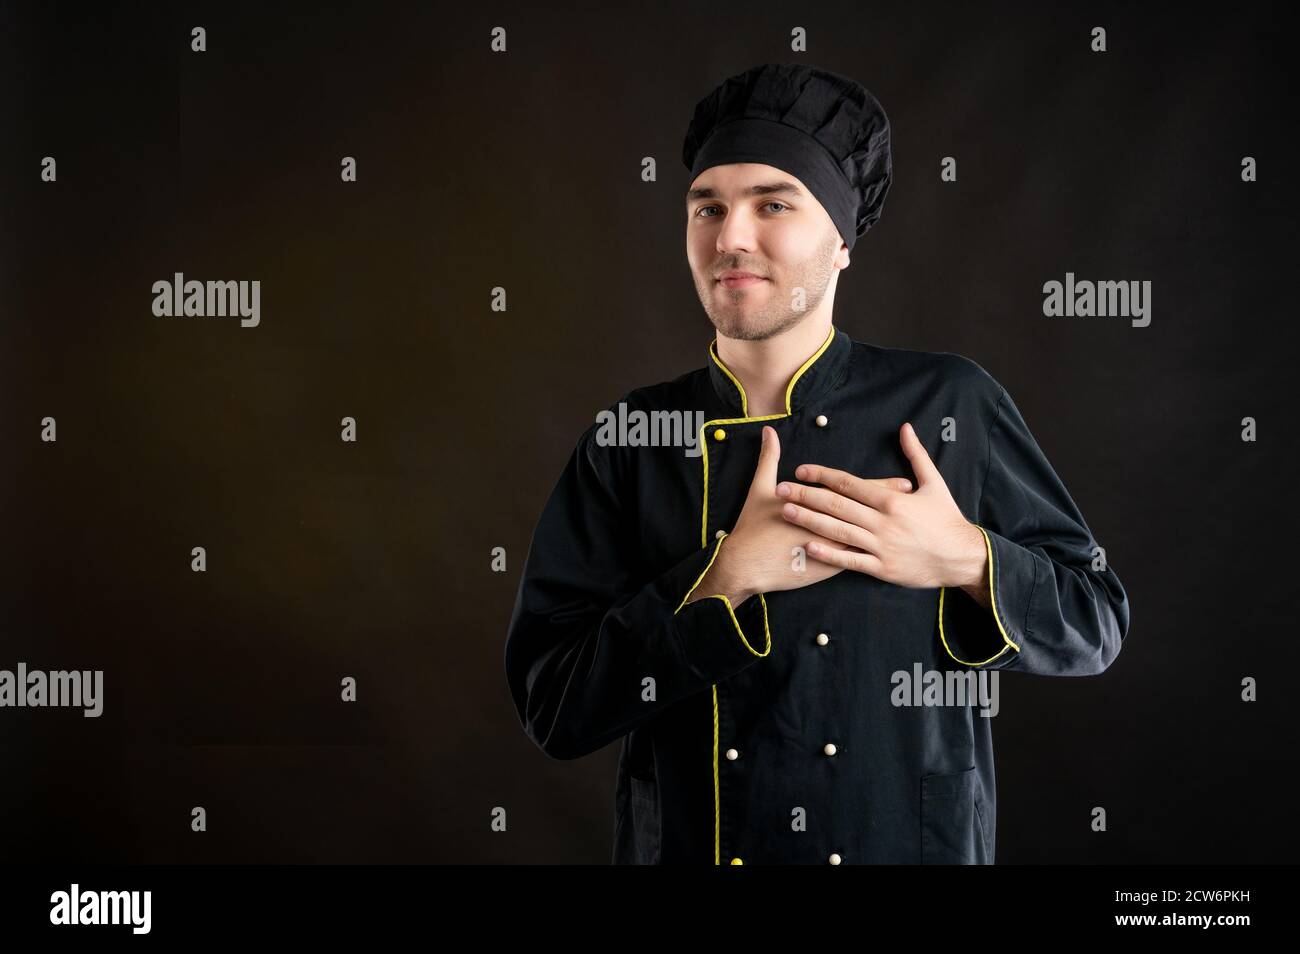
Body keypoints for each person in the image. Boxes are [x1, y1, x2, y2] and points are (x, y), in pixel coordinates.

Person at [504, 62, 1130, 864]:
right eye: (708, 207)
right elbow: (556, 707)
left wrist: (963, 558)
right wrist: (721, 581)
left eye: (773, 203)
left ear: (841, 240)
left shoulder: (950, 402)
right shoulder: (632, 437)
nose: (731, 236)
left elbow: (1096, 620)